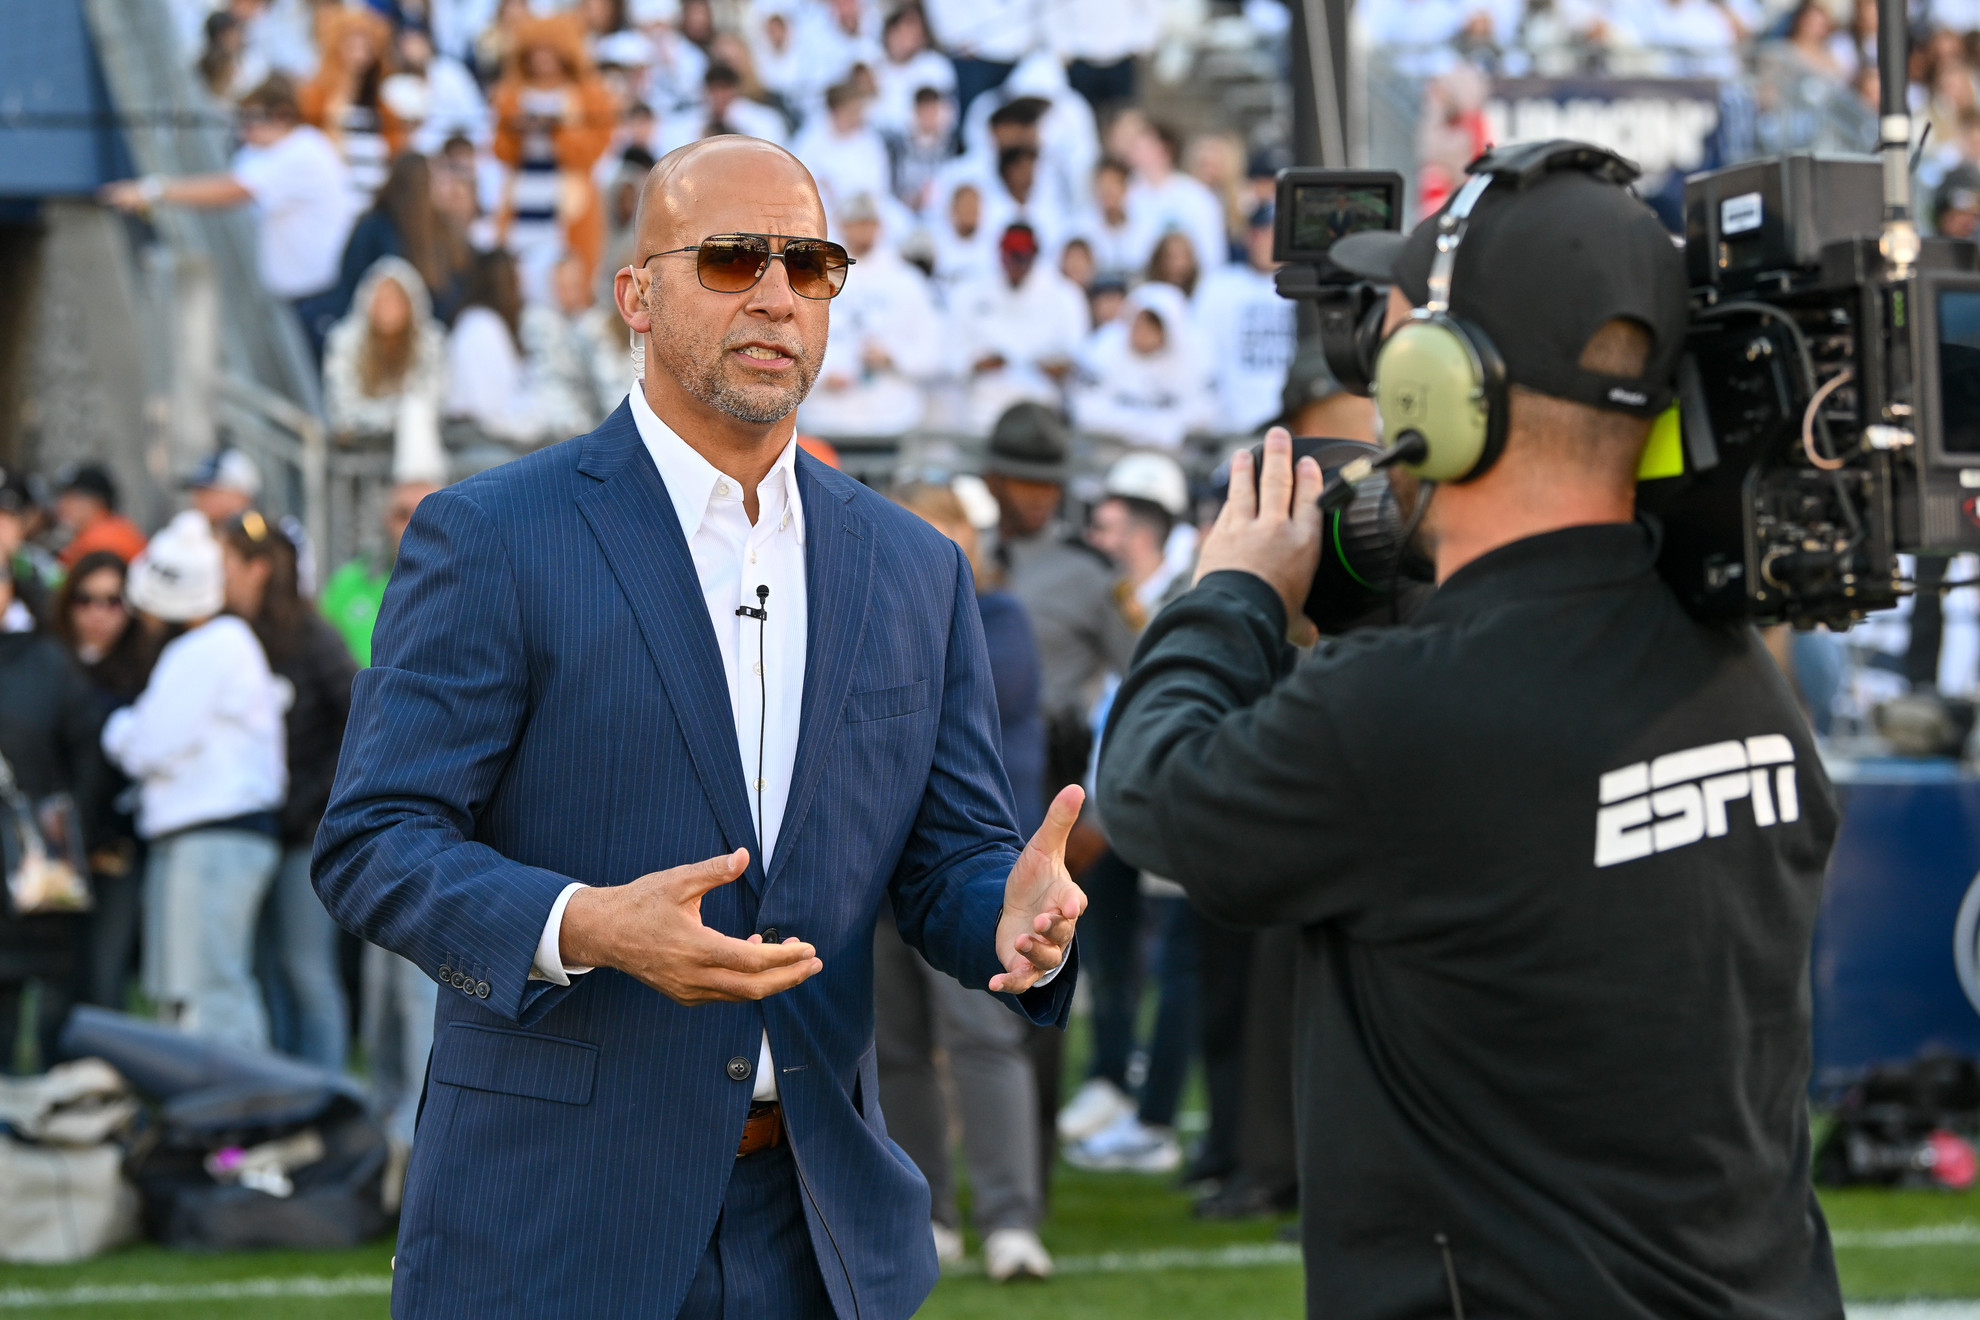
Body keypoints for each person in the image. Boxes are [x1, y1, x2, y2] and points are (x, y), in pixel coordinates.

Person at [312, 135, 1085, 1320]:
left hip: (822, 1234)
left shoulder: (914, 568)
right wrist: (585, 925)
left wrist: (1013, 914)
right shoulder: (493, 536)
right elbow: (373, 841)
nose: (777, 292)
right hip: (554, 1229)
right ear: (635, 295)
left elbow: (948, 861)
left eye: (811, 264)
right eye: (732, 258)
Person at [1096, 146, 1845, 1318]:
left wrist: (1232, 589)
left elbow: (1152, 792)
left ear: (1448, 389)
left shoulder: (1403, 717)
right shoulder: (1738, 671)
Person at [873, 481, 1053, 1281]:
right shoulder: (871, 618)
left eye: (948, 536)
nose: (935, 556)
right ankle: (932, 1214)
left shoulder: (1000, 619)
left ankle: (1012, 1219)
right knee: (895, 1046)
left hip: (978, 873)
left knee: (983, 1037)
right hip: (876, 868)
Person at [981, 401, 1134, 1196]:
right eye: (1020, 479)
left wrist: (1106, 812)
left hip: (1050, 789)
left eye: (1047, 483)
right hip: (964, 780)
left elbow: (1142, 686)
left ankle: (1030, 1161)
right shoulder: (955, 552)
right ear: (992, 476)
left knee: (1036, 970)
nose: (1034, 496)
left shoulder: (1088, 575)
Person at [103, 512, 288, 1051]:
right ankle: (207, 1121)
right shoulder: (221, 644)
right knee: (187, 990)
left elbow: (147, 747)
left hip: (212, 837)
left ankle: (234, 1124)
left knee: (210, 991)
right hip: (206, 838)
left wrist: (117, 727)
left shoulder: (207, 649)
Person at [219, 512, 355, 1073]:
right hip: (255, 830)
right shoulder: (231, 636)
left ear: (256, 569)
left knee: (306, 971)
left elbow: (361, 727)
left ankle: (328, 1096)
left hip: (308, 835)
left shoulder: (315, 638)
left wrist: (313, 802)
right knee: (264, 969)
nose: (219, 574)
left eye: (226, 563)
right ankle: (282, 1092)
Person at [99, 78, 361, 308]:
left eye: (252, 120)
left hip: (319, 295)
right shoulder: (264, 154)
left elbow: (231, 190)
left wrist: (151, 191)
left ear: (282, 115)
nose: (243, 130)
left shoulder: (303, 149)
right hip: (297, 296)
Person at [0, 557, 106, 1073]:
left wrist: (68, 832)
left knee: (52, 1001)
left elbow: (88, 754)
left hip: (40, 865)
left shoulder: (47, 662)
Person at [50, 552, 157, 1014]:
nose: (98, 613)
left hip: (118, 847)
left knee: (105, 977)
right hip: (54, 844)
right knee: (56, 978)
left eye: (114, 601)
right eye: (86, 599)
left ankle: (106, 1084)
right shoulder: (46, 666)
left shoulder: (148, 672)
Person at [797, 193, 946, 440]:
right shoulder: (811, 277)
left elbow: (934, 350)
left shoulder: (907, 281)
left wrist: (892, 357)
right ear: (841, 224)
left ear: (879, 226)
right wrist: (824, 375)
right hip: (828, 420)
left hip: (891, 419)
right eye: (855, 222)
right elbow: (796, 339)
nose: (861, 230)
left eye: (867, 222)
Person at [950, 223, 1090, 434]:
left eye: (1022, 257)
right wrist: (977, 363)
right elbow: (950, 354)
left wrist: (1055, 367)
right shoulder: (971, 292)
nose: (1015, 265)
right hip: (983, 409)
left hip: (1040, 409)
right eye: (1010, 257)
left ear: (1034, 256)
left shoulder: (1064, 296)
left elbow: (1077, 357)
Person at [1193, 202, 1300, 435]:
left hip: (1293, 423)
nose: (1270, 241)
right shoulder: (1219, 285)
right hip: (1232, 428)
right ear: (1250, 237)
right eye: (1263, 233)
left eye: (1277, 234)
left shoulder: (1306, 289)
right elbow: (1199, 354)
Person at [1071, 281, 1214, 450]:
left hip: (1173, 458)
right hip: (1109, 454)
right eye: (1138, 322)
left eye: (1153, 325)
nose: (1142, 332)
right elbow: (1086, 410)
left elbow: (1207, 411)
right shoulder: (1103, 346)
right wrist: (1147, 428)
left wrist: (1169, 427)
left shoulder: (1195, 354)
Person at [324, 256, 451, 440]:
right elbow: (341, 410)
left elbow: (431, 403)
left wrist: (404, 416)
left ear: (411, 304)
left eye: (396, 300)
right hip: (360, 448)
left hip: (415, 444)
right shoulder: (345, 343)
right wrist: (396, 415)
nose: (388, 308)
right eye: (382, 300)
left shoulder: (431, 344)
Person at [52, 463, 147, 570]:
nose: (61, 507)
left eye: (69, 499)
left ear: (95, 502)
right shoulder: (102, 532)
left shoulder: (105, 539)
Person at [184, 449, 262, 529]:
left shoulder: (262, 536)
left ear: (238, 495)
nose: (197, 497)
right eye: (197, 490)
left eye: (207, 491)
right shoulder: (189, 531)